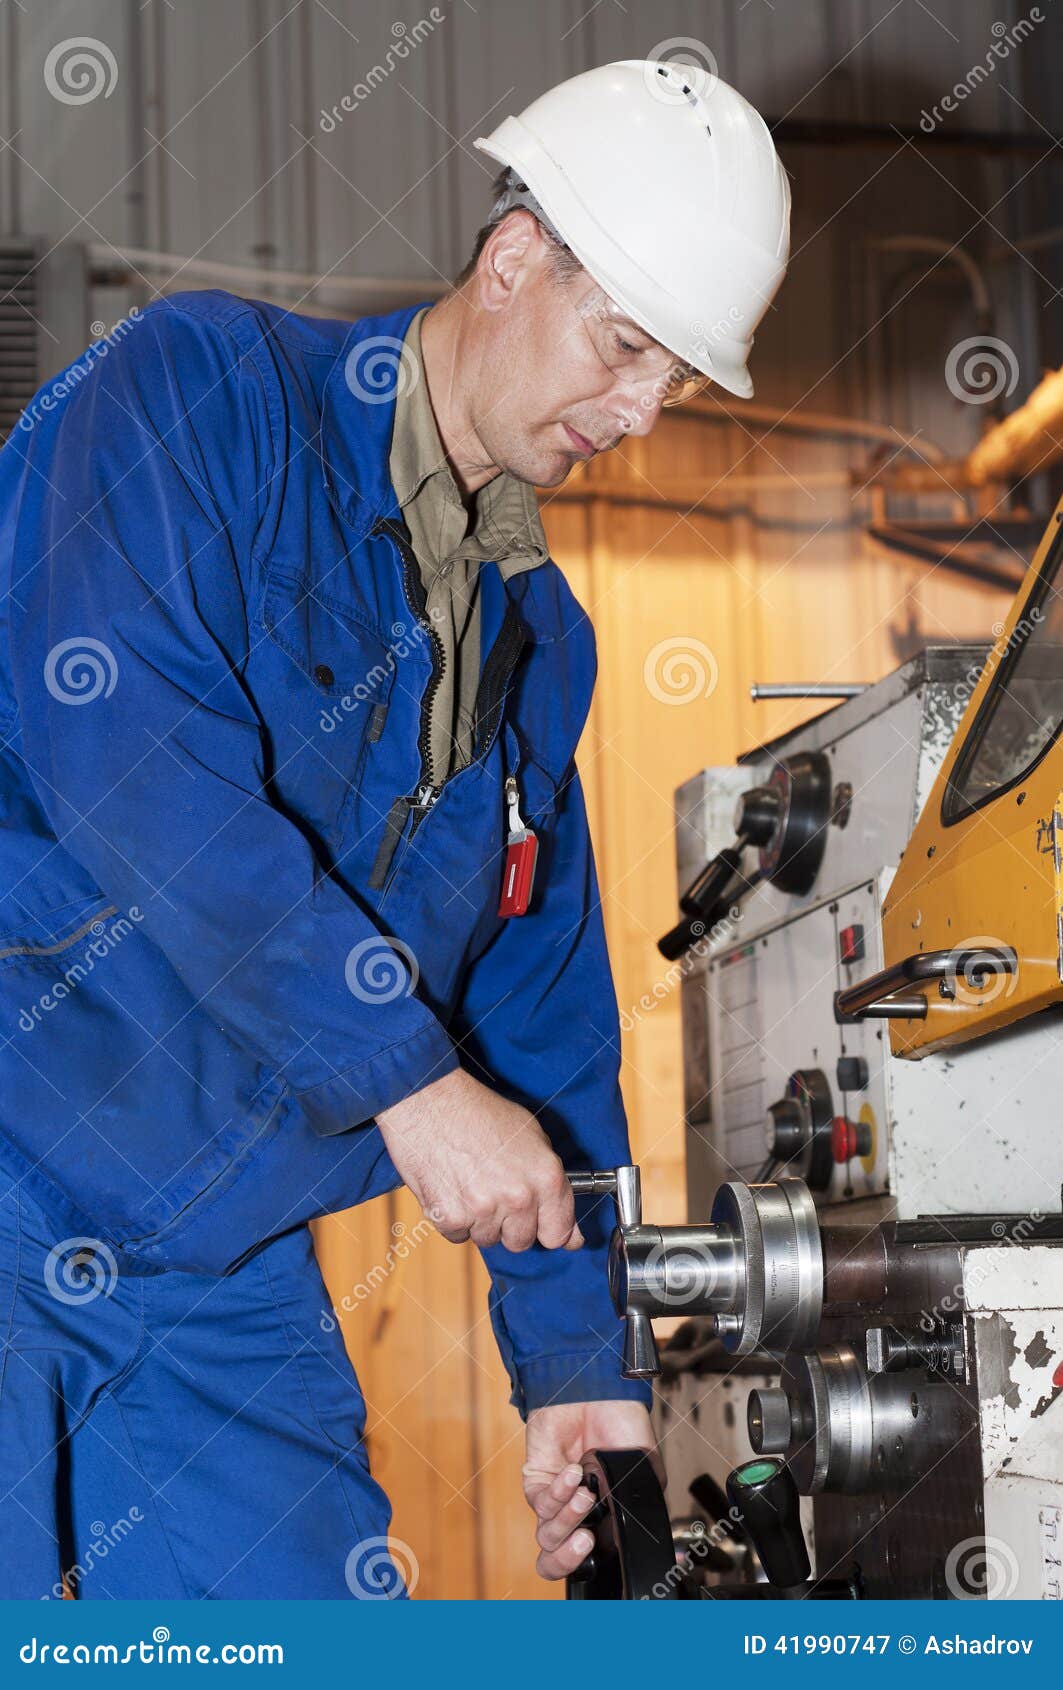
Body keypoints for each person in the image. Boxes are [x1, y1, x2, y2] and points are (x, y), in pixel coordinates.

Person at [0, 58, 789, 1598]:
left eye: (673, 383)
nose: (637, 412)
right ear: (512, 264)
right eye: (624, 347)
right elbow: (127, 764)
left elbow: (544, 1026)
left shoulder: (533, 642)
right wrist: (409, 1085)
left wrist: (580, 1365)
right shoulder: (204, 392)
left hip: (216, 1264)